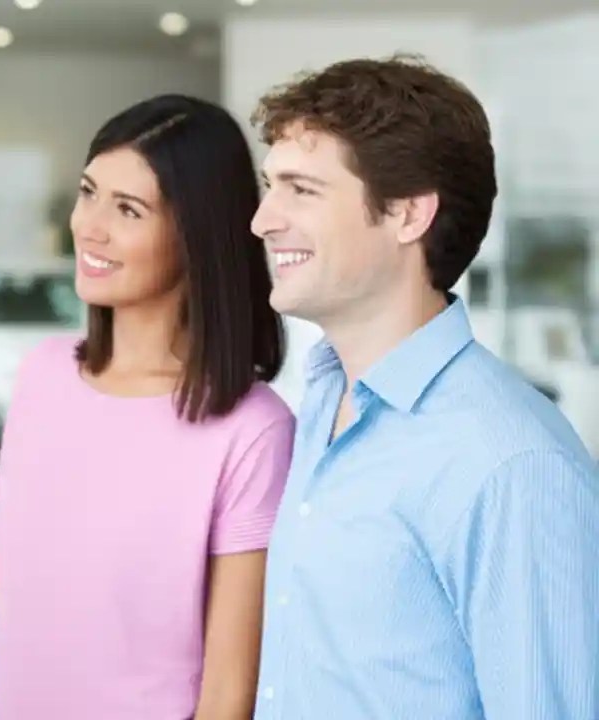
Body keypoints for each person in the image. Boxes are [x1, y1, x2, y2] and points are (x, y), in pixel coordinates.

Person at [248, 55, 599, 719]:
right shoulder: (323, 399)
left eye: (302, 190)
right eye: (271, 186)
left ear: (408, 214)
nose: (262, 220)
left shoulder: (513, 464)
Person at [0, 94, 295, 719]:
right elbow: (11, 607)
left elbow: (228, 692)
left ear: (196, 236)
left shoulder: (252, 429)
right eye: (89, 192)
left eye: (128, 209)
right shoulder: (42, 376)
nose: (89, 227)